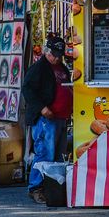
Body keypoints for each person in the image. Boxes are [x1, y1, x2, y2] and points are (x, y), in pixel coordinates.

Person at [22, 36, 72, 204]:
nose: (56, 58)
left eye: (59, 55)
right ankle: (35, 187)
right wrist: (42, 108)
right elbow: (27, 89)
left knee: (58, 156)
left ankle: (53, 189)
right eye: (54, 54)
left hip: (60, 118)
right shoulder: (39, 68)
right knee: (44, 153)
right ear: (47, 51)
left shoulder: (62, 68)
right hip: (45, 119)